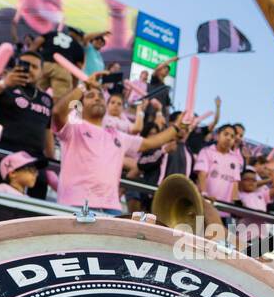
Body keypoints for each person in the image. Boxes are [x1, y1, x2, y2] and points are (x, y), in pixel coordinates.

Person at [50, 84, 178, 214]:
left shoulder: (117, 135)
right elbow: (57, 112)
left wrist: (177, 128)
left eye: (100, 96)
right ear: (80, 106)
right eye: (90, 96)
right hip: (76, 204)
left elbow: (150, 143)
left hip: (111, 208)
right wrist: (83, 86)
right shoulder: (74, 127)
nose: (97, 98)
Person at [0, 50, 53, 199]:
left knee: (34, 213)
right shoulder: (4, 87)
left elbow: (48, 131)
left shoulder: (46, 99)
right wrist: (5, 83)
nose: (29, 69)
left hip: (35, 162)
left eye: (35, 67)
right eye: (25, 65)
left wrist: (51, 159)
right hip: (5, 155)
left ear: (42, 72)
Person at [193, 123, 242, 205]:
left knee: (219, 218)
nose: (228, 138)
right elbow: (202, 175)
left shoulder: (235, 159)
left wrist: (234, 202)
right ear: (217, 136)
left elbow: (235, 182)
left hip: (224, 209)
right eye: (225, 134)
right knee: (198, 218)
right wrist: (204, 194)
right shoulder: (206, 152)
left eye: (232, 136)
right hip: (202, 205)